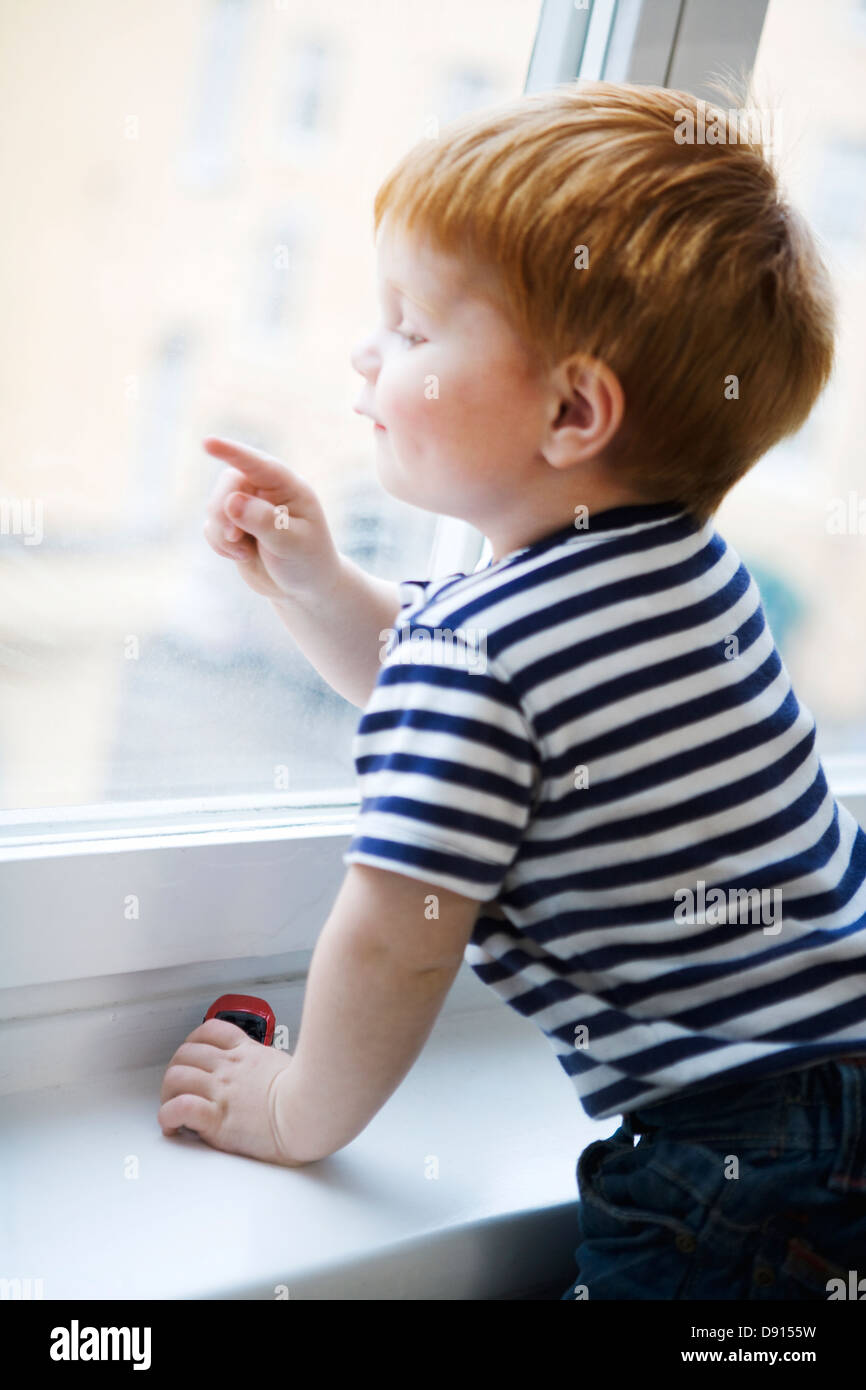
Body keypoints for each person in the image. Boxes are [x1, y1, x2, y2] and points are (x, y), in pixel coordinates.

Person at [158, 81, 866, 1300]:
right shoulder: (691, 570)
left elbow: (395, 941)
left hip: (736, 1168)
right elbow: (455, 706)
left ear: (572, 410)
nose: (363, 352)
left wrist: (292, 1108)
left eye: (414, 329)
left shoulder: (487, 653)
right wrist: (315, 579)